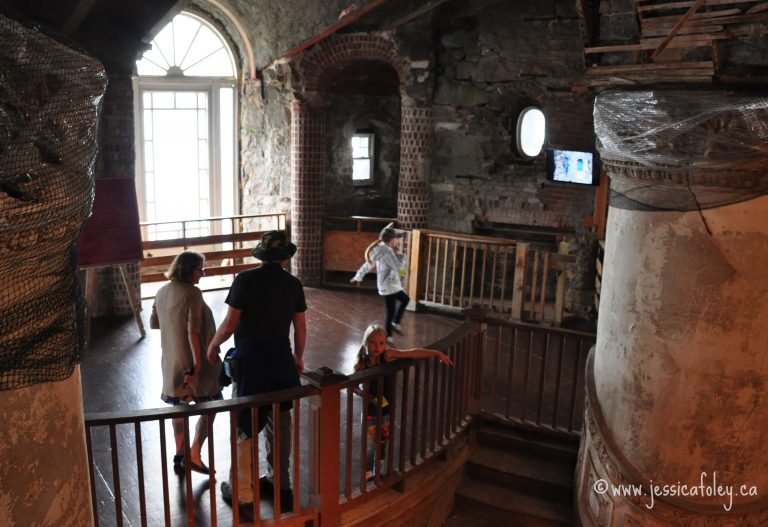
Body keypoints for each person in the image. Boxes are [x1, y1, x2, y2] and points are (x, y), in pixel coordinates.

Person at [206, 230, 306, 512]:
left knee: (245, 428)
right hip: (282, 363)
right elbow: (300, 328)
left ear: (261, 255)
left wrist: (213, 346)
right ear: (285, 257)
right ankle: (279, 480)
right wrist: (298, 358)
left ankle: (243, 492)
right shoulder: (293, 284)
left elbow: (229, 325)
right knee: (280, 424)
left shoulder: (245, 281)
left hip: (251, 365)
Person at [149, 251, 222, 475]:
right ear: (189, 270)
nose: (203, 272)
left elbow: (154, 323)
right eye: (200, 268)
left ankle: (180, 454)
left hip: (171, 361)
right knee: (213, 405)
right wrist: (198, 364)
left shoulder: (161, 292)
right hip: (194, 362)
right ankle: (194, 452)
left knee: (179, 408)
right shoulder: (192, 293)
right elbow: (193, 332)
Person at [353, 323, 453, 480]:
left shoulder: (387, 356)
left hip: (386, 410)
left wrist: (435, 353)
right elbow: (353, 386)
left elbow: (412, 353)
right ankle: (368, 477)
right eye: (372, 342)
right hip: (370, 411)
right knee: (370, 445)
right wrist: (362, 394)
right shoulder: (362, 363)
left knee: (382, 443)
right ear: (366, 343)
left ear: (385, 343)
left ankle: (377, 473)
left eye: (381, 343)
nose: (377, 347)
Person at [351, 225, 410, 337]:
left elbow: (367, 264)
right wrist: (403, 259)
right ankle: (389, 336)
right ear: (392, 240)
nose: (398, 241)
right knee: (391, 311)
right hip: (388, 286)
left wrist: (358, 275)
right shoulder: (387, 252)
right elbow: (400, 270)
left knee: (404, 300)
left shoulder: (380, 248)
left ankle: (395, 324)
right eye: (397, 239)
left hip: (389, 285)